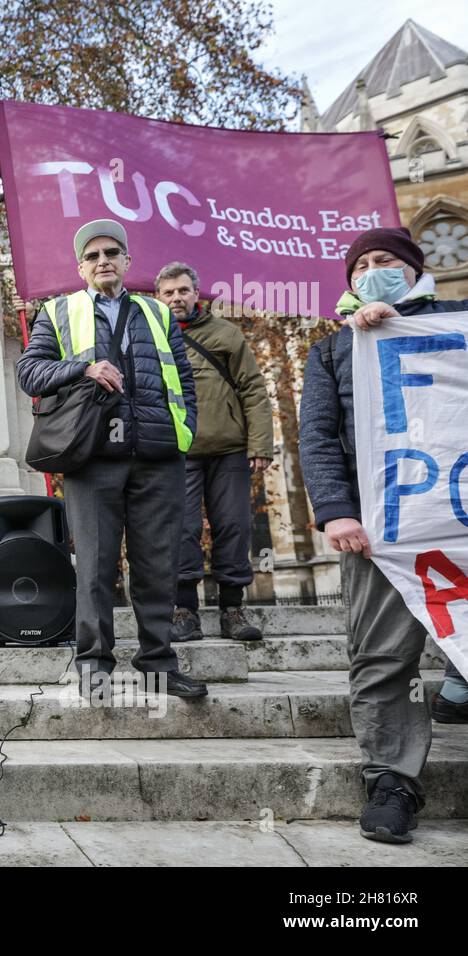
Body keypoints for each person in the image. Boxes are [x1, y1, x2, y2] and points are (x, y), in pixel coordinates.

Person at [301, 226, 468, 843]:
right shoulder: (334, 350)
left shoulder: (458, 320)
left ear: (415, 269)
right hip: (383, 530)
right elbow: (317, 437)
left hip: (460, 520)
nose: (373, 270)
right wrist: (336, 511)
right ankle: (391, 782)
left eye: (387, 261)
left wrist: (405, 321)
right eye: (362, 264)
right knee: (381, 657)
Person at [16, 219, 206, 700]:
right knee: (96, 567)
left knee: (156, 567)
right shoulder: (57, 312)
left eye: (112, 253)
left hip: (157, 456)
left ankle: (158, 663)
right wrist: (83, 367)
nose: (104, 261)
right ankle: (94, 666)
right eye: (94, 255)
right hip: (92, 457)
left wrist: (182, 435)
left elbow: (182, 379)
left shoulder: (159, 314)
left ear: (127, 261)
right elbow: (30, 371)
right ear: (80, 267)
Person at [154, 262, 274, 642]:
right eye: (169, 292)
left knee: (234, 528)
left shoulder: (226, 333)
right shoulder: (151, 337)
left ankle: (233, 610)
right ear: (159, 297)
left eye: (183, 290)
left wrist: (260, 445)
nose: (177, 298)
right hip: (177, 452)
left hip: (229, 451)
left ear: (197, 293)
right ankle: (184, 611)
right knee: (182, 530)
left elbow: (253, 390)